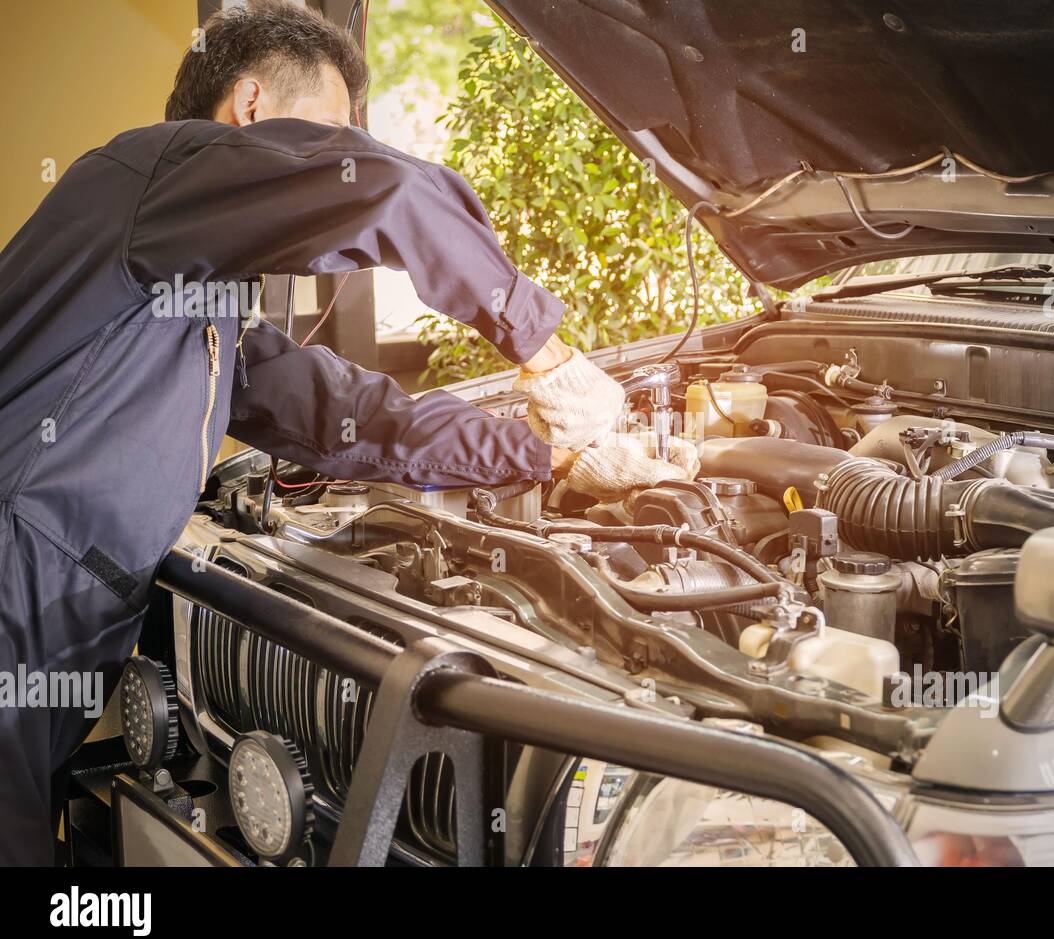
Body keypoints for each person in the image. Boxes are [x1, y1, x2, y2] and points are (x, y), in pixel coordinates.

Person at [0, 0, 692, 865]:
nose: (333, 158)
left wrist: (547, 457)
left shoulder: (196, 298)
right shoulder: (150, 170)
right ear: (251, 106)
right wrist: (546, 356)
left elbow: (336, 414)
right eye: (326, 135)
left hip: (51, 640)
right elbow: (389, 191)